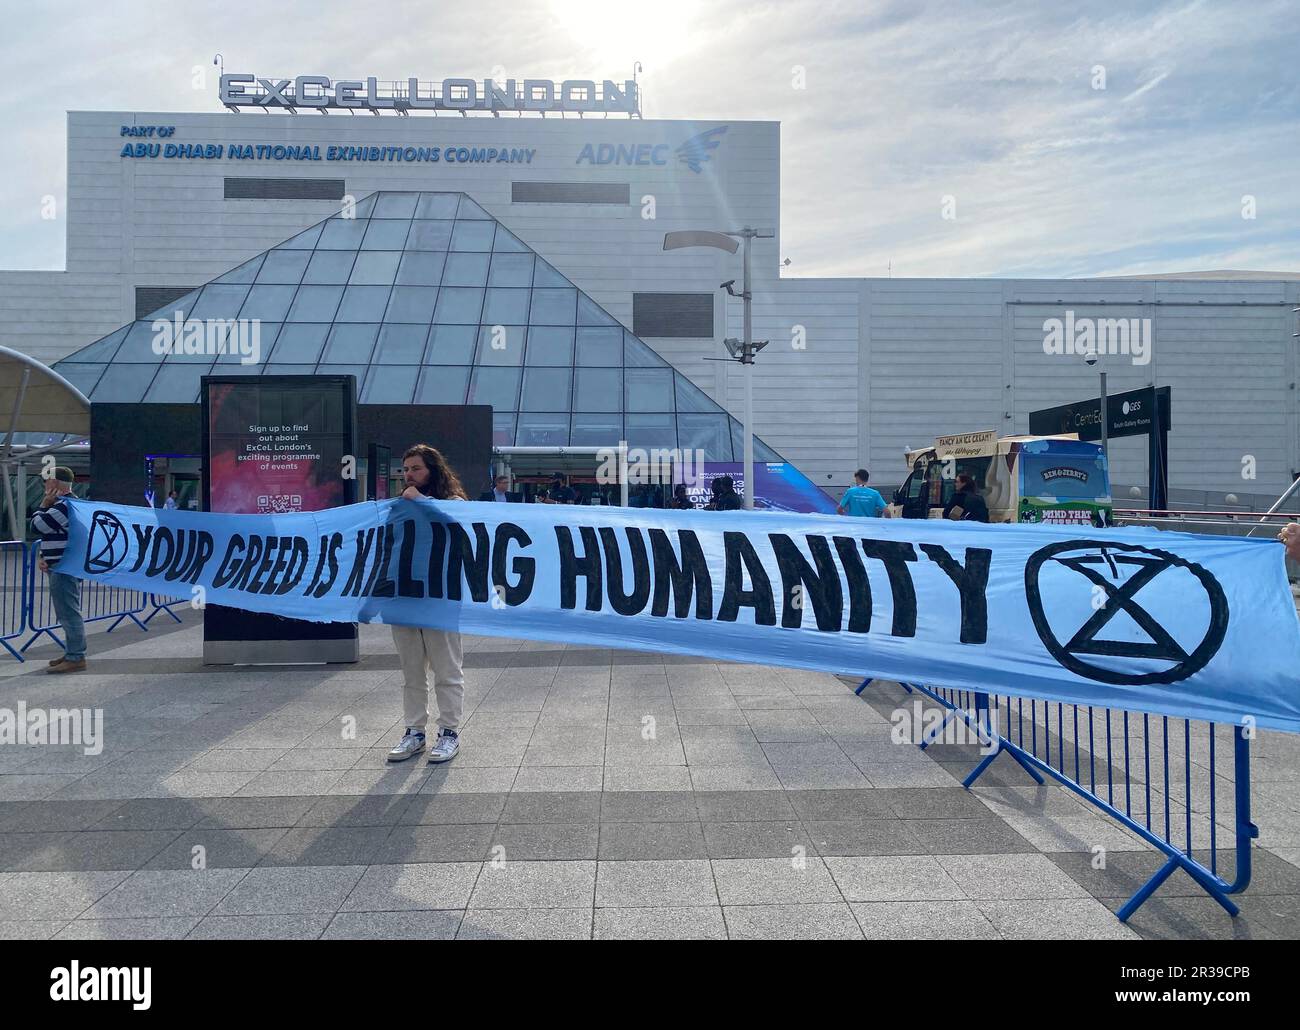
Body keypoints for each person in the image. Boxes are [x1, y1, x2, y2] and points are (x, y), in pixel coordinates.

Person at [387, 444, 468, 764]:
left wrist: (420, 501)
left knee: (447, 669)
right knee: (411, 672)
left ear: (433, 470)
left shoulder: (452, 502)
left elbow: (457, 521)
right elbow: (387, 549)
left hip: (440, 596)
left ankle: (449, 732)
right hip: (404, 596)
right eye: (405, 469)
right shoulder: (398, 507)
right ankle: (414, 731)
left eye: (416, 468)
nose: (409, 474)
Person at [29, 467, 87, 674]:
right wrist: (45, 556)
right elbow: (56, 534)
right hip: (63, 564)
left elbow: (37, 527)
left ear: (54, 484)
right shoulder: (71, 504)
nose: (44, 486)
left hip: (64, 567)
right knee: (68, 611)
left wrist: (43, 505)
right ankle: (72, 652)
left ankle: (76, 657)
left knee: (68, 613)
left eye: (46, 482)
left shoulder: (64, 506)